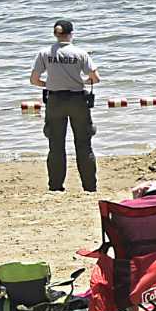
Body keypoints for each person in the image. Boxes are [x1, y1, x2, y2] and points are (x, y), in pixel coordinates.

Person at [29, 18, 99, 192]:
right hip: (77, 100)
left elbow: (34, 80)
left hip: (55, 101)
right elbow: (95, 78)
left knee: (56, 145)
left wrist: (48, 84)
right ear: (71, 34)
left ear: (55, 34)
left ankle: (56, 187)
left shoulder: (45, 53)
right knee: (84, 145)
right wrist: (81, 81)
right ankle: (89, 187)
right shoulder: (80, 53)